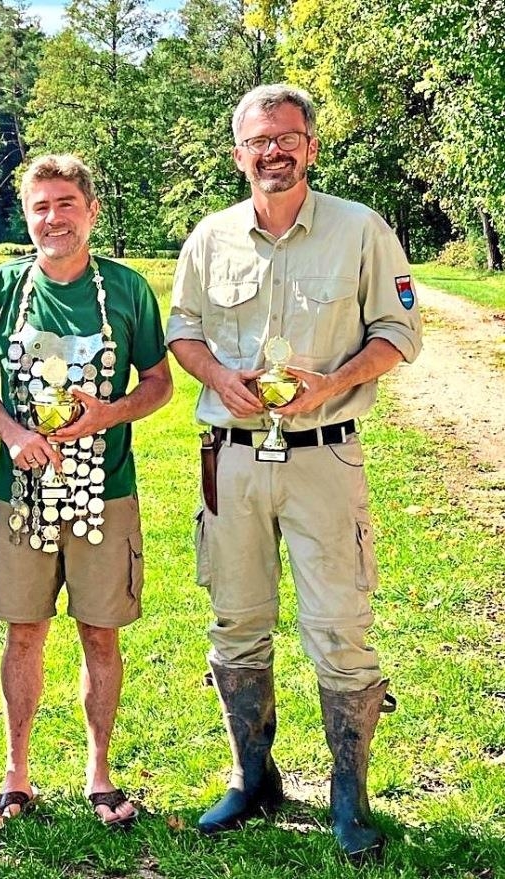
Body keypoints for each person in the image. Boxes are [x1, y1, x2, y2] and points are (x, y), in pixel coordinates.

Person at [167, 84, 422, 860]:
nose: (272, 152)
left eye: (286, 137)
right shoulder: (210, 238)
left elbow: (399, 331)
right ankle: (253, 777)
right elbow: (183, 330)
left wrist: (334, 381)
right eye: (258, 141)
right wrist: (218, 376)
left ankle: (350, 796)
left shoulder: (360, 230)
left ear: (310, 145)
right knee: (237, 619)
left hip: (323, 455)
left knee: (339, 625)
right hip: (233, 459)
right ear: (237, 154)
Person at [0, 154, 172, 827]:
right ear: (27, 216)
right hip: (23, 491)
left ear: (91, 211)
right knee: (24, 631)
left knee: (100, 634)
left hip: (106, 491)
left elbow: (160, 383)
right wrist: (11, 434)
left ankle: (99, 773)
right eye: (40, 207)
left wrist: (110, 414)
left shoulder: (128, 289)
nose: (53, 218)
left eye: (65, 204)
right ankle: (16, 773)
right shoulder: (2, 287)